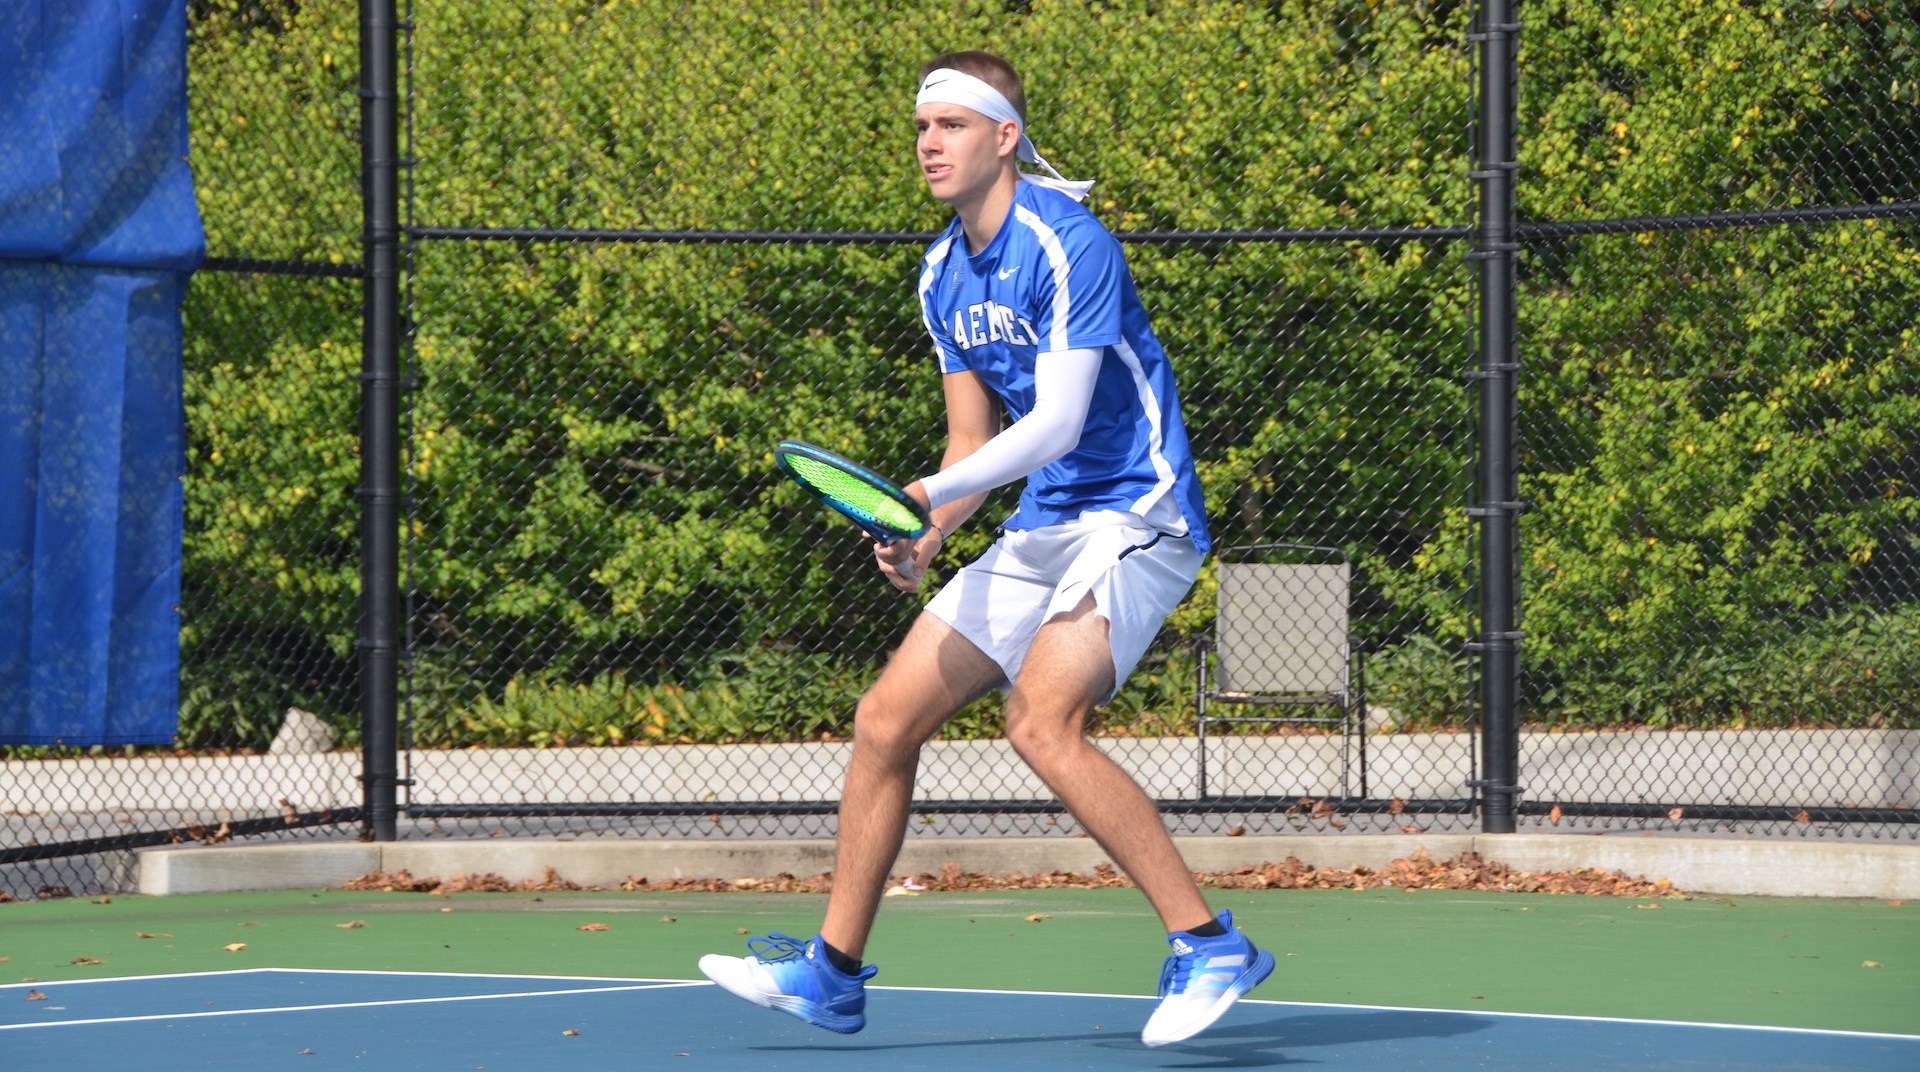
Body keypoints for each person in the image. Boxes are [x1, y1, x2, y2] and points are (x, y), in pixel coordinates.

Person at [698, 50, 1272, 1047]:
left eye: (953, 125)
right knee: (885, 720)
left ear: (1004, 137)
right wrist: (931, 528)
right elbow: (972, 447)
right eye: (922, 126)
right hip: (1046, 523)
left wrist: (929, 494)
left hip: (1139, 514)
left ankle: (1209, 941)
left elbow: (1053, 424)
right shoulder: (939, 275)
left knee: (1041, 719)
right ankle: (832, 974)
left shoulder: (1069, 245)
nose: (929, 142)